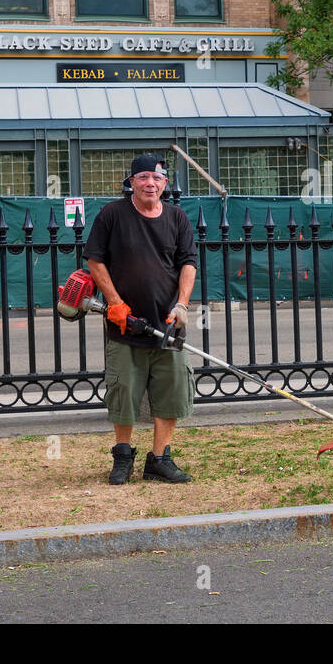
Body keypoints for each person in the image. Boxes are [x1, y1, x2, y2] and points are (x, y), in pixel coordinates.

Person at [85, 154, 198, 485]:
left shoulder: (177, 218)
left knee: (172, 392)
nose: (151, 183)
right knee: (124, 393)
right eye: (144, 177)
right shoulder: (112, 215)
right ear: (131, 181)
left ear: (165, 183)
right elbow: (95, 259)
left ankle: (159, 459)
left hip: (167, 327)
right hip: (124, 326)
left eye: (158, 178)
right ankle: (122, 456)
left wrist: (182, 305)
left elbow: (188, 263)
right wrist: (115, 303)